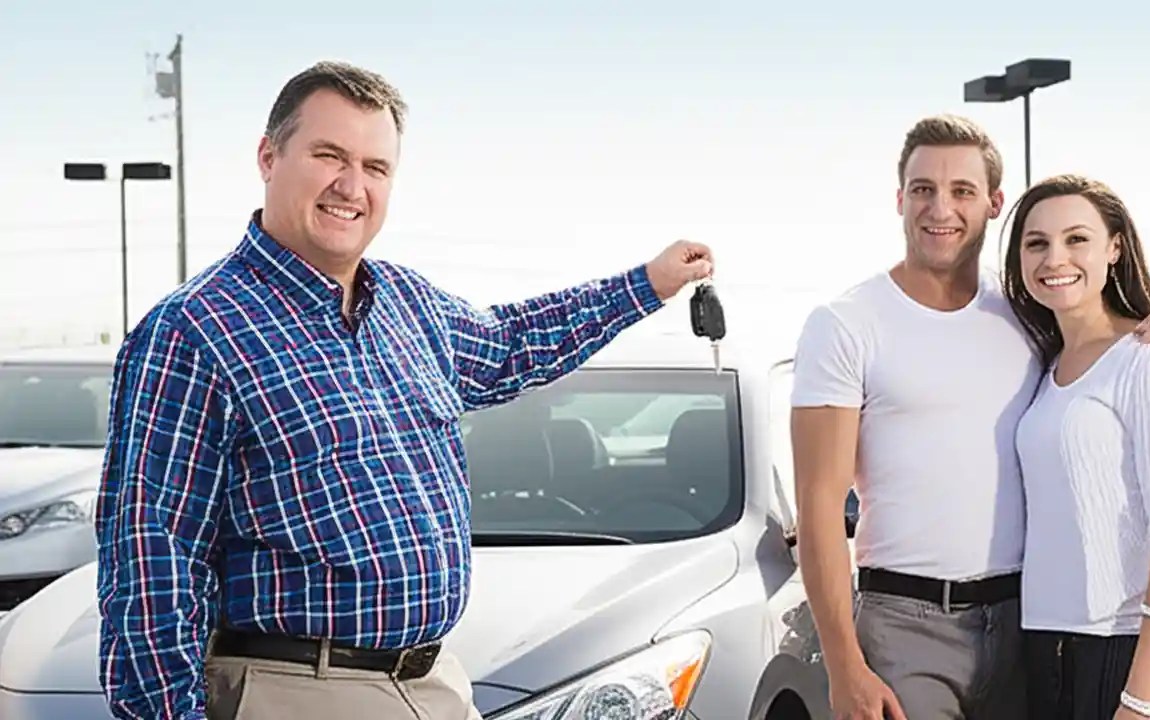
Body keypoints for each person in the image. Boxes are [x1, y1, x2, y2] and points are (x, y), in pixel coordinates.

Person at [93, 60, 714, 720]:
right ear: (268, 157)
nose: (351, 186)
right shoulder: (193, 332)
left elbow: (511, 343)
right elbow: (152, 564)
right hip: (298, 689)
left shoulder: (407, 304)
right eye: (329, 155)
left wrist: (646, 285)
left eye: (375, 167)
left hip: (432, 681)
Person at [788, 115, 1150, 720]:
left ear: (992, 202)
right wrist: (843, 665)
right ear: (899, 197)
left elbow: (1114, 392)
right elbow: (819, 505)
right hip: (907, 626)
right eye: (923, 188)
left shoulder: (1026, 313)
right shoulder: (845, 324)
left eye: (962, 190)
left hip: (1025, 631)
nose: (941, 208)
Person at [1006, 174, 1150, 719]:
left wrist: (1141, 698)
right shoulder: (1044, 366)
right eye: (1037, 243)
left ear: (1115, 248)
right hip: (1046, 650)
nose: (1055, 258)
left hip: (1126, 653)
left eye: (1077, 239)